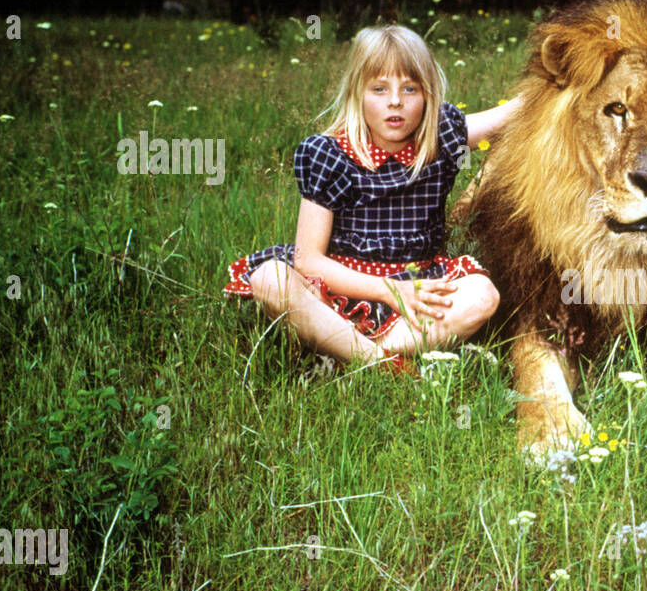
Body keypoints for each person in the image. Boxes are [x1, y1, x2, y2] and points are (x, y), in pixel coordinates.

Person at [222, 24, 519, 373]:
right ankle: (382, 363)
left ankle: (341, 350)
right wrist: (388, 291)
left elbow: (511, 114)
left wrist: (568, 76)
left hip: (417, 284)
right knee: (269, 280)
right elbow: (310, 262)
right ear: (357, 93)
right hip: (338, 286)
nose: (395, 101)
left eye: (410, 88)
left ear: (428, 96)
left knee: (483, 296)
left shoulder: (441, 139)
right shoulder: (328, 154)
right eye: (379, 89)